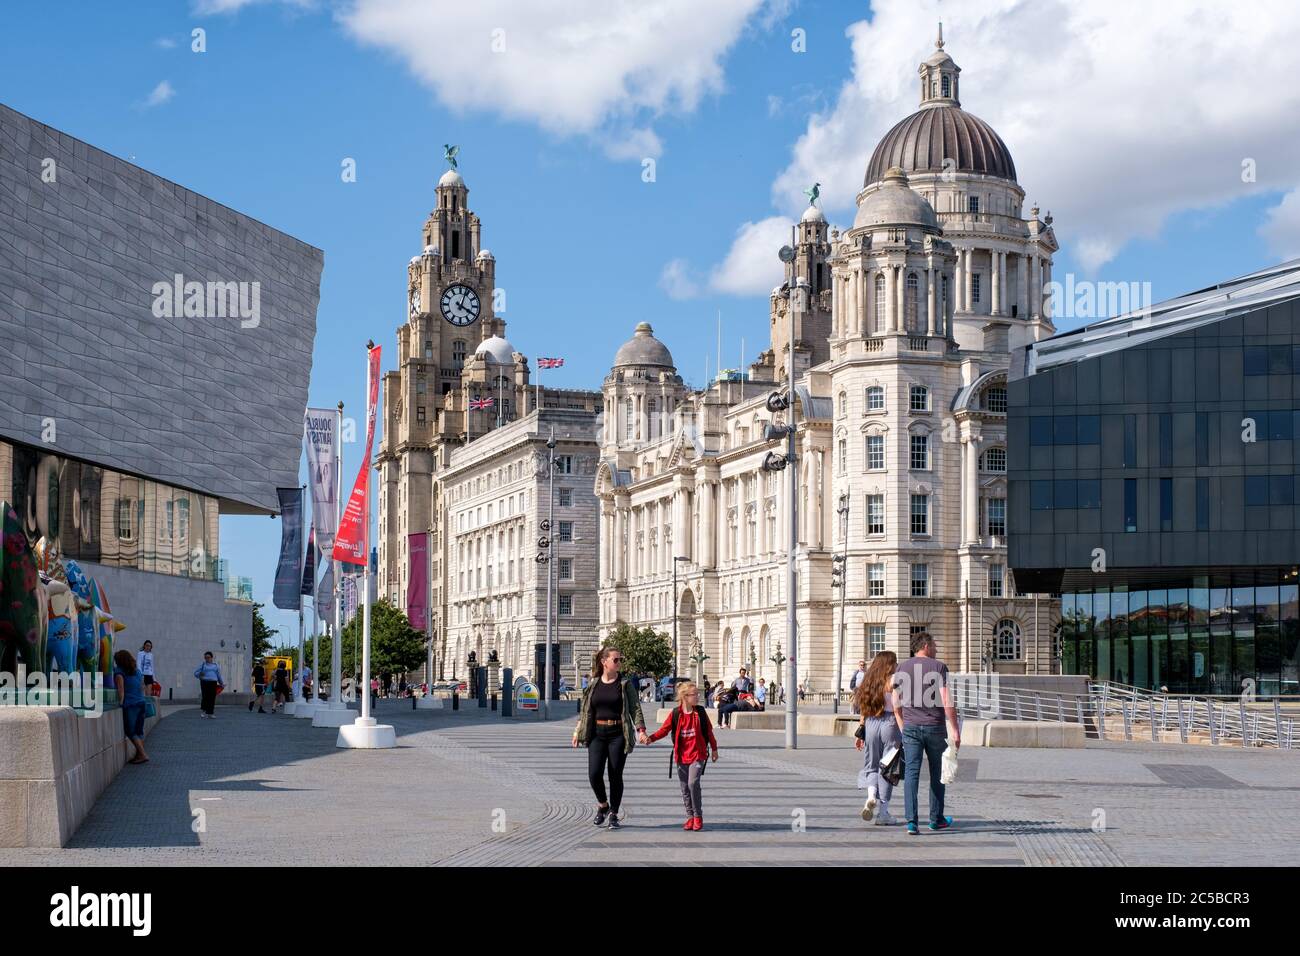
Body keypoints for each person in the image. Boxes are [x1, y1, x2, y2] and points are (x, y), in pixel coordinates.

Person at [572, 646, 646, 830]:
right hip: (597, 733)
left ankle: (613, 813)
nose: (619, 663)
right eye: (616, 660)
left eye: (620, 659)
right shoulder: (593, 684)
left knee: (615, 775)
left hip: (618, 734)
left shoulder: (624, 684)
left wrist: (641, 730)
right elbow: (586, 710)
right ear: (604, 662)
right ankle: (602, 805)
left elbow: (635, 708)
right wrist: (578, 730)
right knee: (594, 774)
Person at [894, 632, 960, 835]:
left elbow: (895, 703)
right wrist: (955, 730)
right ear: (925, 645)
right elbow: (947, 701)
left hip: (911, 727)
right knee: (937, 774)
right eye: (934, 645)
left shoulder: (901, 668)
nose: (936, 649)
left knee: (912, 774)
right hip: (934, 727)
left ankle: (911, 822)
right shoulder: (938, 667)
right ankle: (936, 819)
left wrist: (903, 727)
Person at [645, 680, 718, 831]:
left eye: (698, 694)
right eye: (694, 695)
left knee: (693, 783)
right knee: (685, 788)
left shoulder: (700, 713)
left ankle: (698, 816)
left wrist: (715, 749)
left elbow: (709, 732)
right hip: (681, 755)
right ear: (685, 697)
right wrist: (650, 738)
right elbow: (664, 730)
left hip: (698, 754)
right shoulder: (676, 714)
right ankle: (690, 817)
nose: (698, 697)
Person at [855, 652, 900, 826]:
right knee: (888, 769)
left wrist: (861, 732)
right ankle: (883, 813)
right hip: (890, 723)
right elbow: (898, 708)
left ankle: (871, 796)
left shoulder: (868, 680)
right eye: (895, 662)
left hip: (871, 722)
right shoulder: (895, 679)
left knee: (871, 765)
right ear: (890, 664)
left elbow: (863, 710)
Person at [114, 649, 150, 764]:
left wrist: (120, 703)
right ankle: (139, 754)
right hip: (141, 702)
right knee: (139, 731)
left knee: (130, 731)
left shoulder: (119, 672)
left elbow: (121, 690)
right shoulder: (138, 671)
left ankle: (143, 754)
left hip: (130, 705)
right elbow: (142, 687)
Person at [194, 651, 224, 718]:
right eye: (205, 658)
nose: (207, 659)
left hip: (213, 683)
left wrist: (221, 683)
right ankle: (203, 711)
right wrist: (200, 675)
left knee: (212, 698)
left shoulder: (216, 666)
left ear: (211, 658)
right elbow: (195, 673)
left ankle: (210, 713)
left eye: (208, 657)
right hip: (204, 682)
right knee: (205, 697)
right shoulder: (203, 665)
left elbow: (219, 675)